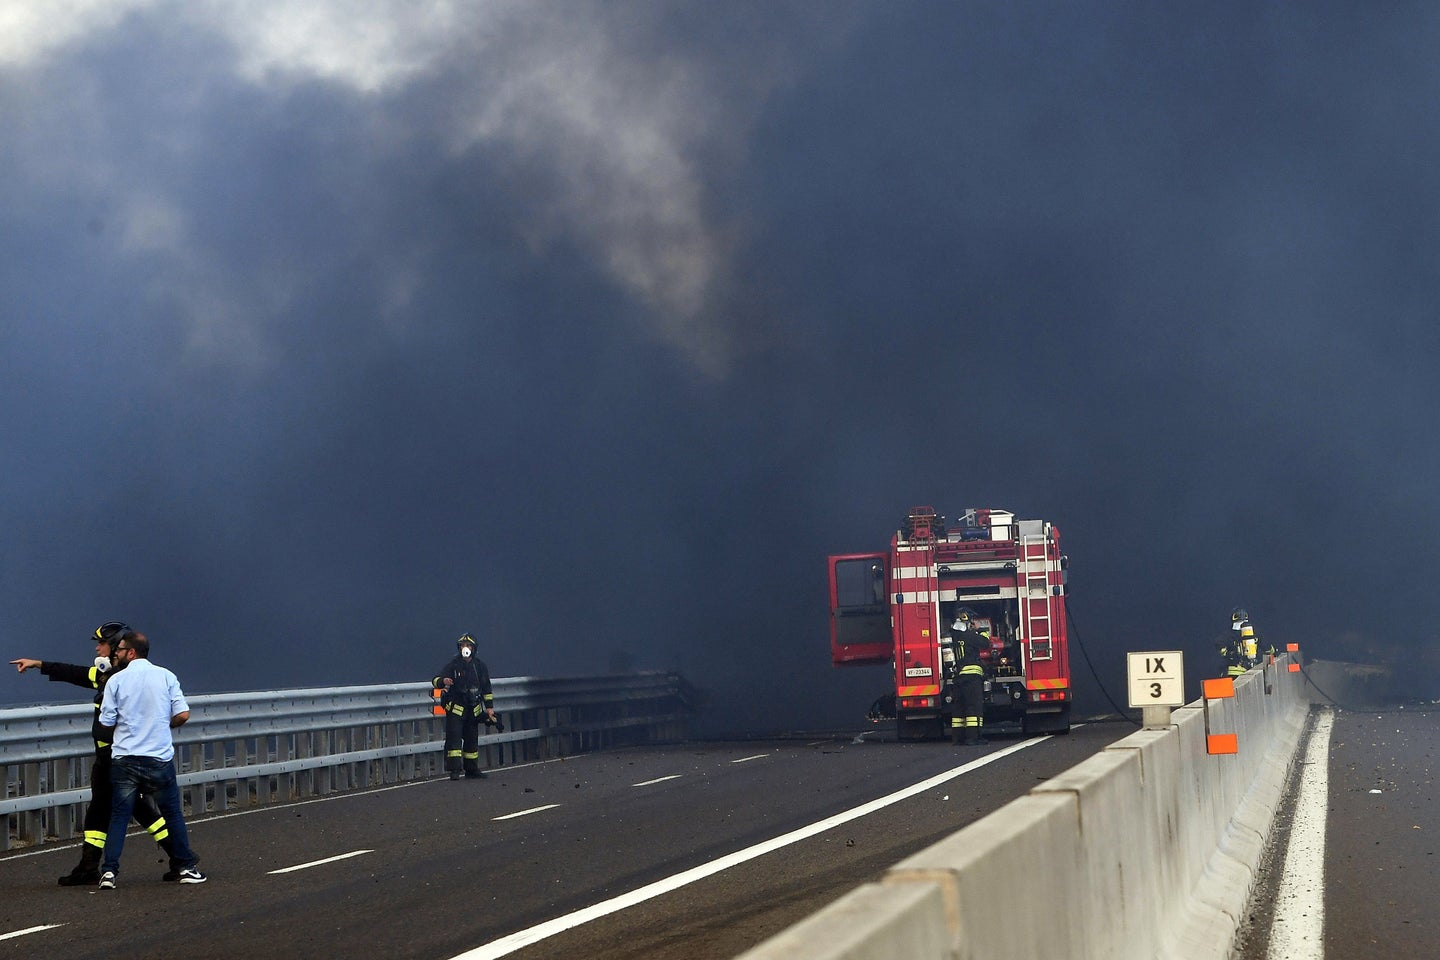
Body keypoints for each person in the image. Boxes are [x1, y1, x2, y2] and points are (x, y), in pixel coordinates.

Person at [10, 621, 181, 885]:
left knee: (132, 810)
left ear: (117, 647)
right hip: (108, 759)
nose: (97, 649)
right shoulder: (106, 676)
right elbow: (74, 673)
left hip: (119, 758)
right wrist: (38, 664)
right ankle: (91, 866)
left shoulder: (122, 680)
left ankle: (179, 858)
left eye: (102, 643)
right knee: (105, 810)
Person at [96, 630, 206, 888]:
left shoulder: (116, 680)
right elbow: (183, 715)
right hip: (158, 757)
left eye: (120, 649)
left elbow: (106, 721)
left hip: (125, 758)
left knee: (119, 817)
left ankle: (109, 872)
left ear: (131, 652)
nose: (116, 653)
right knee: (172, 814)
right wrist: (164, 725)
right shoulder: (166, 676)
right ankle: (186, 868)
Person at [432, 633, 496, 780]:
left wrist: (489, 708)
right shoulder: (453, 665)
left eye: (468, 646)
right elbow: (435, 680)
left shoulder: (480, 666)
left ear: (474, 648)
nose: (465, 648)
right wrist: (443, 681)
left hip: (473, 710)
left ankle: (471, 769)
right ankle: (454, 770)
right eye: (462, 645)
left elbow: (486, 688)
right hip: (456, 710)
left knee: (472, 740)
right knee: (454, 741)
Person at [946, 609, 987, 746]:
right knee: (973, 707)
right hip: (972, 677)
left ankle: (957, 738)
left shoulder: (953, 636)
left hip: (958, 677)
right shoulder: (969, 636)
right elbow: (985, 643)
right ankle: (972, 738)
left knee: (959, 708)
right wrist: (980, 629)